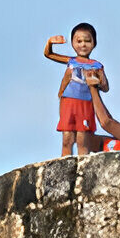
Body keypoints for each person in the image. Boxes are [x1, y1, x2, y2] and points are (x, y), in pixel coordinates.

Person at [44, 23, 109, 156]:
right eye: (79, 41)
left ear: (94, 43)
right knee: (67, 138)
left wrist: (98, 80)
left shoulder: (97, 65)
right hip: (68, 102)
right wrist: (50, 42)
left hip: (86, 103)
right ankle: (64, 166)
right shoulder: (71, 60)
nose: (83, 45)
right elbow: (49, 54)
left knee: (82, 139)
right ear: (73, 43)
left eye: (87, 41)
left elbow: (105, 87)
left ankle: (82, 169)